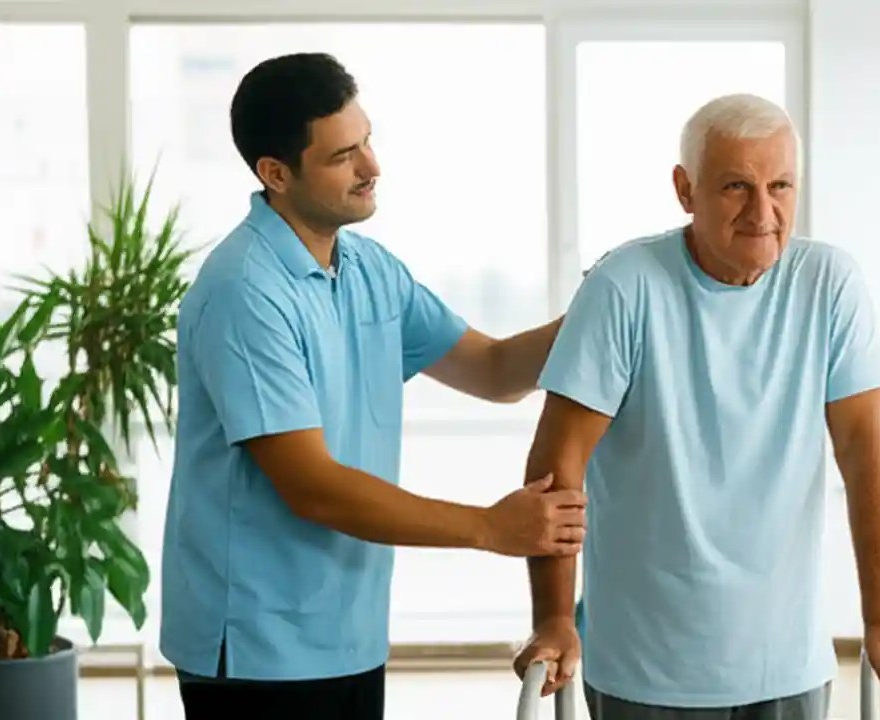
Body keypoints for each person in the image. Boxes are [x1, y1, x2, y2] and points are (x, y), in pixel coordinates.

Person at [159, 52, 586, 719]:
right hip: (256, 652)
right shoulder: (245, 292)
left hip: (348, 635)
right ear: (275, 173)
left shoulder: (368, 269)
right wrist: (489, 528)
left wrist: (600, 314)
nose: (372, 167)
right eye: (342, 156)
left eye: (368, 141)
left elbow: (497, 370)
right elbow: (312, 487)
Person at [511, 93, 880, 719]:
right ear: (686, 189)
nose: (764, 211)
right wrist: (552, 618)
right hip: (643, 666)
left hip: (787, 663)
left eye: (781, 186)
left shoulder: (830, 285)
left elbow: (867, 460)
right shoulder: (624, 286)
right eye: (737, 186)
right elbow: (556, 468)